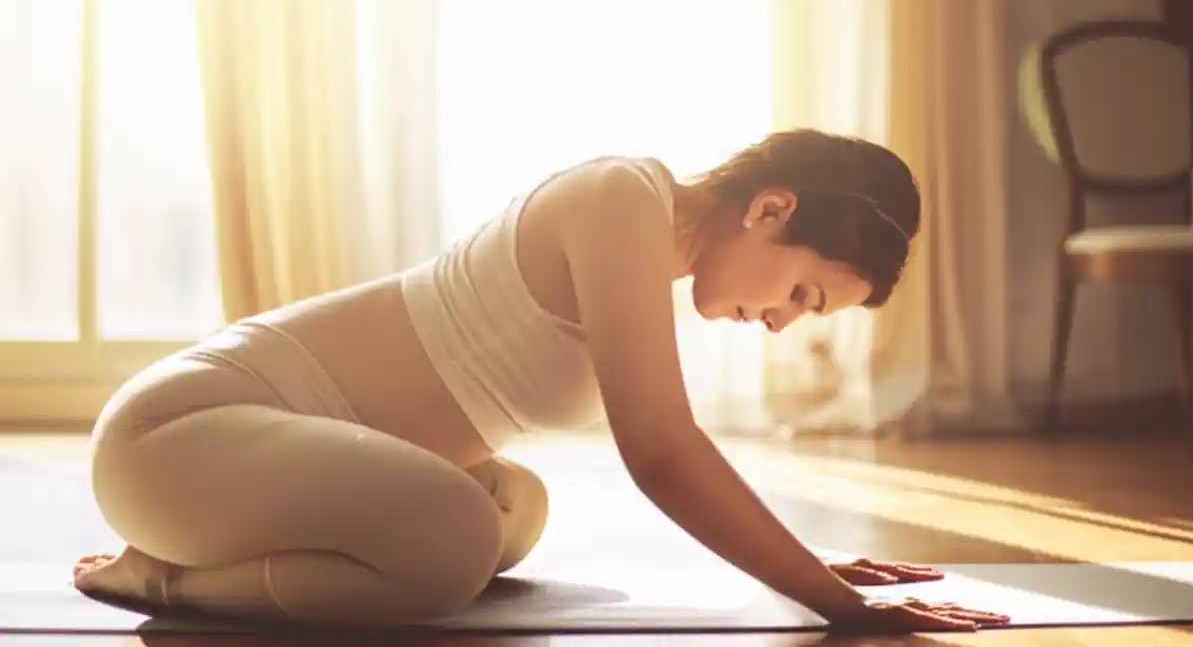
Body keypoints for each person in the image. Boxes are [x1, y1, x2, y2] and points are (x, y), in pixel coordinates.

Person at [73, 129, 1009, 632]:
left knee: (512, 511)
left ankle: (189, 557)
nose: (782, 322)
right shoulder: (620, 201)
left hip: (241, 467)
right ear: (771, 208)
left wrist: (798, 568)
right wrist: (831, 603)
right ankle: (162, 577)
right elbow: (664, 454)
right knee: (450, 543)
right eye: (803, 292)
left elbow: (666, 458)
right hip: (180, 439)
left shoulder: (646, 255)